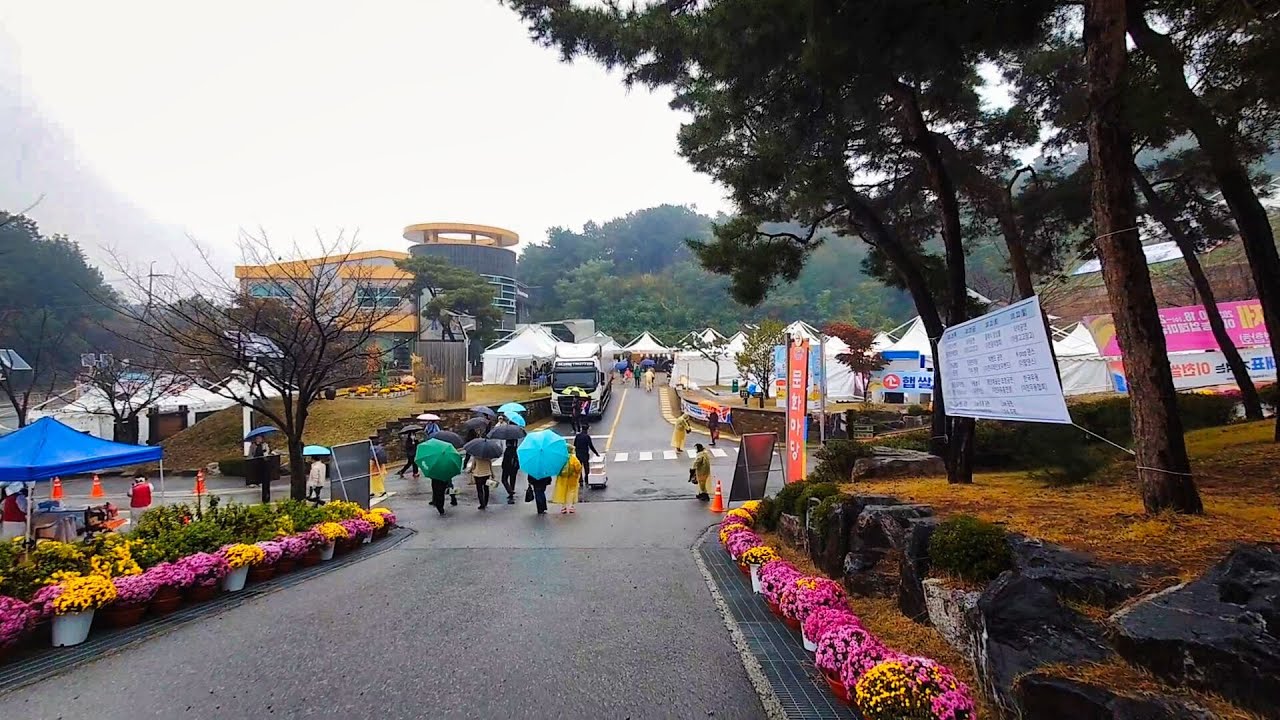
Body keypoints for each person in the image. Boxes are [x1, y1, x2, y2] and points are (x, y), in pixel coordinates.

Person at [501, 439, 520, 504]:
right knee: (512, 480)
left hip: (507, 468)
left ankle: (510, 491)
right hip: (514, 468)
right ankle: (511, 492)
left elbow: (505, 460)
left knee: (504, 480)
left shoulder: (507, 450)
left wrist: (503, 466)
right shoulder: (515, 450)